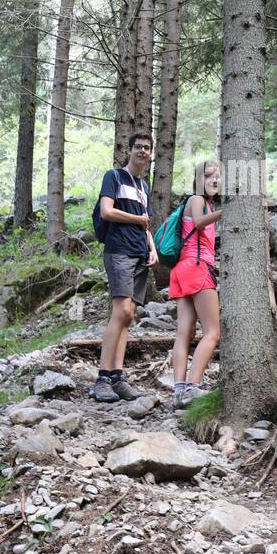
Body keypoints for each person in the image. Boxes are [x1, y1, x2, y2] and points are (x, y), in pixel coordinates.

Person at [92, 133, 158, 403]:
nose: (142, 151)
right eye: (138, 147)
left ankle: (118, 377)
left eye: (147, 148)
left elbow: (145, 225)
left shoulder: (144, 186)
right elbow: (107, 211)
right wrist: (136, 218)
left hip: (139, 252)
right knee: (120, 310)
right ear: (129, 151)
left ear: (151, 154)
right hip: (118, 250)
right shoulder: (114, 177)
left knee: (129, 314)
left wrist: (152, 248)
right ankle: (102, 378)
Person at [168, 161, 223, 409]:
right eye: (209, 176)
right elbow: (200, 223)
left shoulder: (200, 202)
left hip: (182, 269)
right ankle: (192, 387)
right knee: (213, 332)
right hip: (198, 267)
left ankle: (179, 391)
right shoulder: (197, 200)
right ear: (198, 180)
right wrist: (229, 211)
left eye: (218, 176)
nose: (214, 180)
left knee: (185, 333)